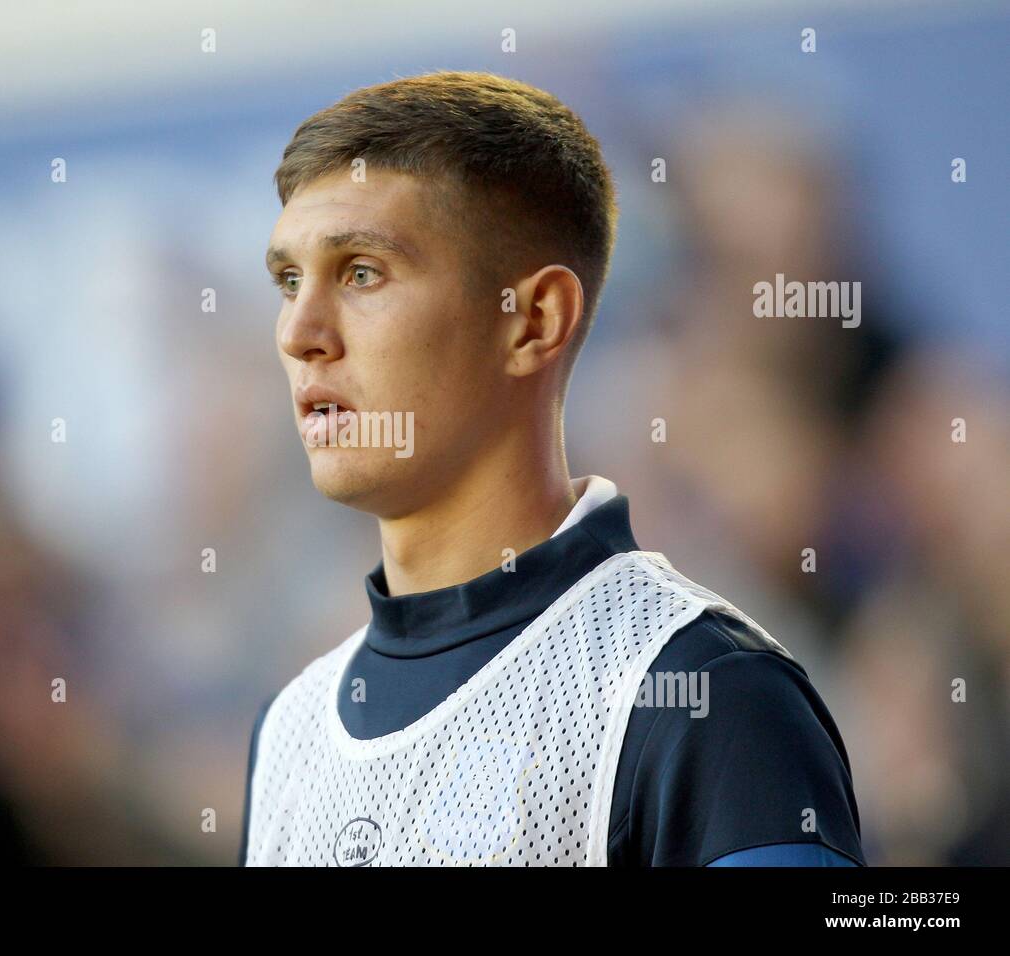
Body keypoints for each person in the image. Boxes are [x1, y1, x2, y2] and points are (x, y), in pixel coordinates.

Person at [241, 71, 863, 867]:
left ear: (534, 322)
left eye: (362, 272)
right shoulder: (290, 731)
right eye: (289, 281)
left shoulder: (709, 693)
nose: (299, 332)